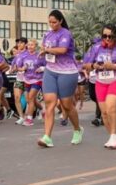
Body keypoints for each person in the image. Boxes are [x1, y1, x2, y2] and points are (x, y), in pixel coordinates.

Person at [37, 10, 83, 148]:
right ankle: (47, 137)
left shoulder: (66, 34)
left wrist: (47, 50)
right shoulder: (47, 34)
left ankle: (77, 130)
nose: (52, 25)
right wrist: (44, 50)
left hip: (67, 72)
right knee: (49, 103)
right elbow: (43, 46)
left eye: (54, 22)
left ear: (61, 21)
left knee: (66, 105)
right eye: (50, 22)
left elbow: (62, 50)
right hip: (50, 71)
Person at [85, 24, 116, 149]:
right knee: (104, 113)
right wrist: (94, 66)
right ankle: (114, 136)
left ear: (115, 35)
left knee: (111, 106)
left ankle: (114, 137)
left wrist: (113, 66)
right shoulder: (96, 47)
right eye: (104, 36)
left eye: (110, 36)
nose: (107, 38)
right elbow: (86, 64)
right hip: (101, 81)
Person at [17, 39, 46, 126]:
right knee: (29, 99)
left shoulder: (40, 55)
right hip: (27, 80)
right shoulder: (23, 56)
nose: (30, 46)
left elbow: (48, 65)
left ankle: (29, 119)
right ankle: (42, 110)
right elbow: (19, 67)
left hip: (37, 79)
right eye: (29, 45)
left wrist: (41, 68)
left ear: (35, 46)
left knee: (30, 97)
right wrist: (22, 69)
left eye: (32, 45)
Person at [10, 37, 28, 124]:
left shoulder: (29, 53)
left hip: (29, 79)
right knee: (17, 97)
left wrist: (23, 68)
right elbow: (13, 67)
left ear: (25, 44)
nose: (19, 45)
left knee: (30, 100)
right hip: (19, 79)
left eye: (21, 43)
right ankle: (21, 117)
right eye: (18, 43)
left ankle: (40, 109)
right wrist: (12, 69)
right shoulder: (17, 55)